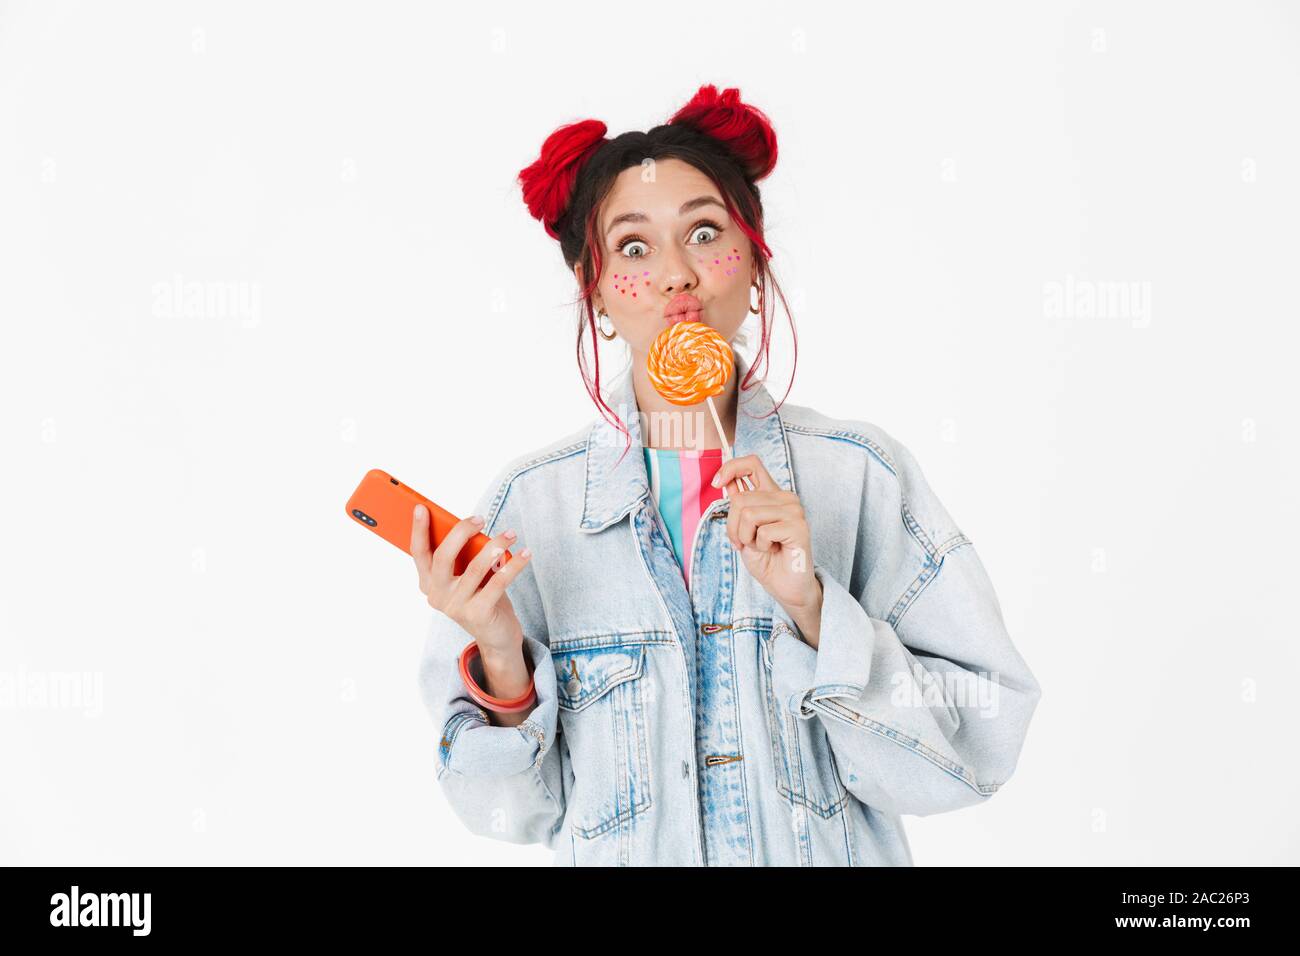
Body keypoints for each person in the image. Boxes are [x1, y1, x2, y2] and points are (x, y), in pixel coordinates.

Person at [413, 84, 1042, 866]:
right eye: (635, 248)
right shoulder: (530, 508)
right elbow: (508, 813)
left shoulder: (859, 477)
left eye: (705, 232)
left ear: (752, 261)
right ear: (596, 288)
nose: (678, 275)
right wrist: (504, 662)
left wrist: (815, 610)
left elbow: (975, 748)